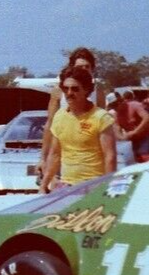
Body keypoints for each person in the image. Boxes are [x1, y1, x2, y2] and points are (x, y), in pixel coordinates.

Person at [40, 67, 115, 192]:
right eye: (66, 88)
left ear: (86, 90)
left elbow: (110, 156)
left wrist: (107, 188)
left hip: (93, 185)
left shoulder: (101, 117)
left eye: (75, 89)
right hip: (66, 186)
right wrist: (44, 185)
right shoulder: (59, 116)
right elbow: (55, 155)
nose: (69, 93)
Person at [40, 47, 101, 182]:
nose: (84, 70)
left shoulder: (98, 91)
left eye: (87, 67)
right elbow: (50, 125)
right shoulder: (59, 92)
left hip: (89, 158)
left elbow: (104, 127)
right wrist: (43, 159)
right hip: (63, 154)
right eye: (80, 66)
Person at [117, 90, 149, 162]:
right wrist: (122, 137)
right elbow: (118, 125)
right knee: (133, 158)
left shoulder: (135, 105)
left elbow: (147, 118)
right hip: (133, 138)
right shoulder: (118, 110)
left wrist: (135, 131)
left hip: (145, 135)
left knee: (144, 156)